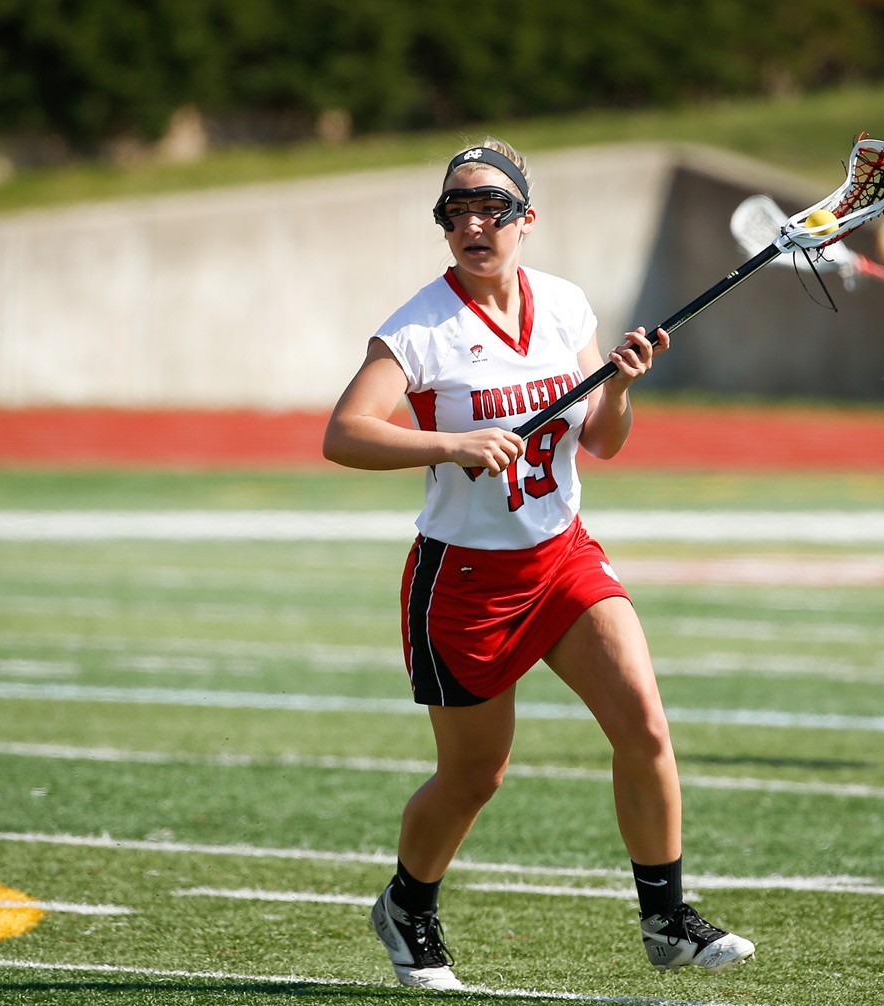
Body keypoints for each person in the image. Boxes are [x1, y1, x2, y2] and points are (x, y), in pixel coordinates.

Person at [322, 137, 754, 990]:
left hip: (562, 556)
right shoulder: (420, 328)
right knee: (474, 777)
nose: (474, 225)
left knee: (645, 726)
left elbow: (602, 442)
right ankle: (407, 905)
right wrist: (450, 444)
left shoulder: (562, 305)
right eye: (456, 212)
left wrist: (618, 386)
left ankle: (666, 919)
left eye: (492, 209)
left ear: (527, 218)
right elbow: (344, 434)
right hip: (466, 581)